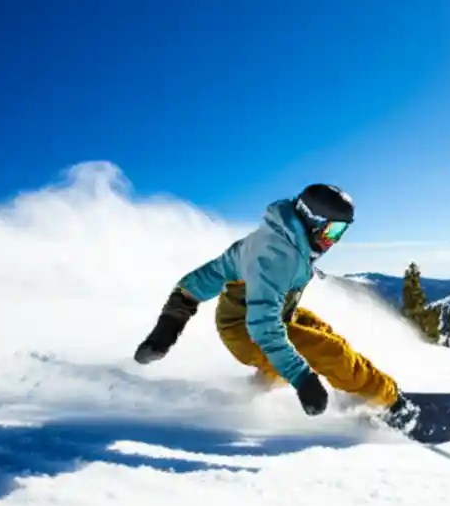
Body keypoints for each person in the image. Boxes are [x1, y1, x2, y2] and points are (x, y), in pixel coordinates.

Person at [133, 183, 417, 427]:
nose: (334, 240)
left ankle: (271, 386)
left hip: (264, 316)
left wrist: (168, 327)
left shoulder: (278, 236)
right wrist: (303, 378)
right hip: (247, 331)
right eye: (333, 230)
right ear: (313, 220)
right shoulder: (275, 256)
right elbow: (264, 329)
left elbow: (202, 278)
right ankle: (390, 405)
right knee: (329, 350)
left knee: (319, 329)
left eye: (341, 232)